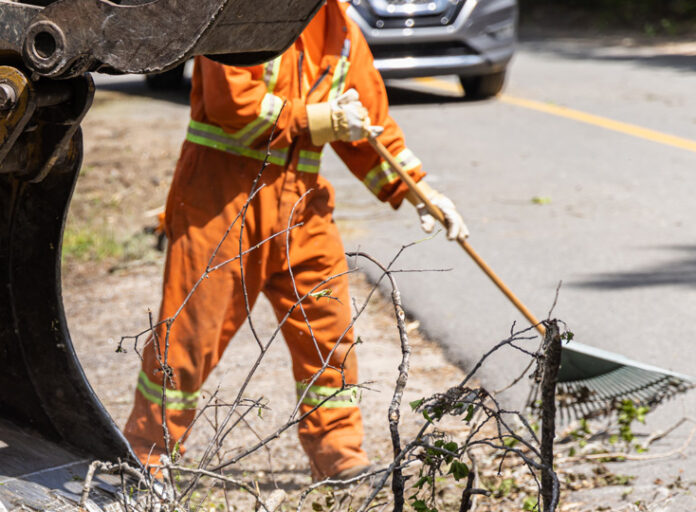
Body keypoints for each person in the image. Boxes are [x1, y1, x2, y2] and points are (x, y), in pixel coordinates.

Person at [122, 0, 468, 482]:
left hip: (301, 204)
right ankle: (145, 456)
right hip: (221, 203)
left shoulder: (340, 28)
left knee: (328, 329)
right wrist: (318, 120)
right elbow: (233, 106)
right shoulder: (241, 15)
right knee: (188, 338)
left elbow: (368, 123)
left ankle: (338, 454)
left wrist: (420, 190)